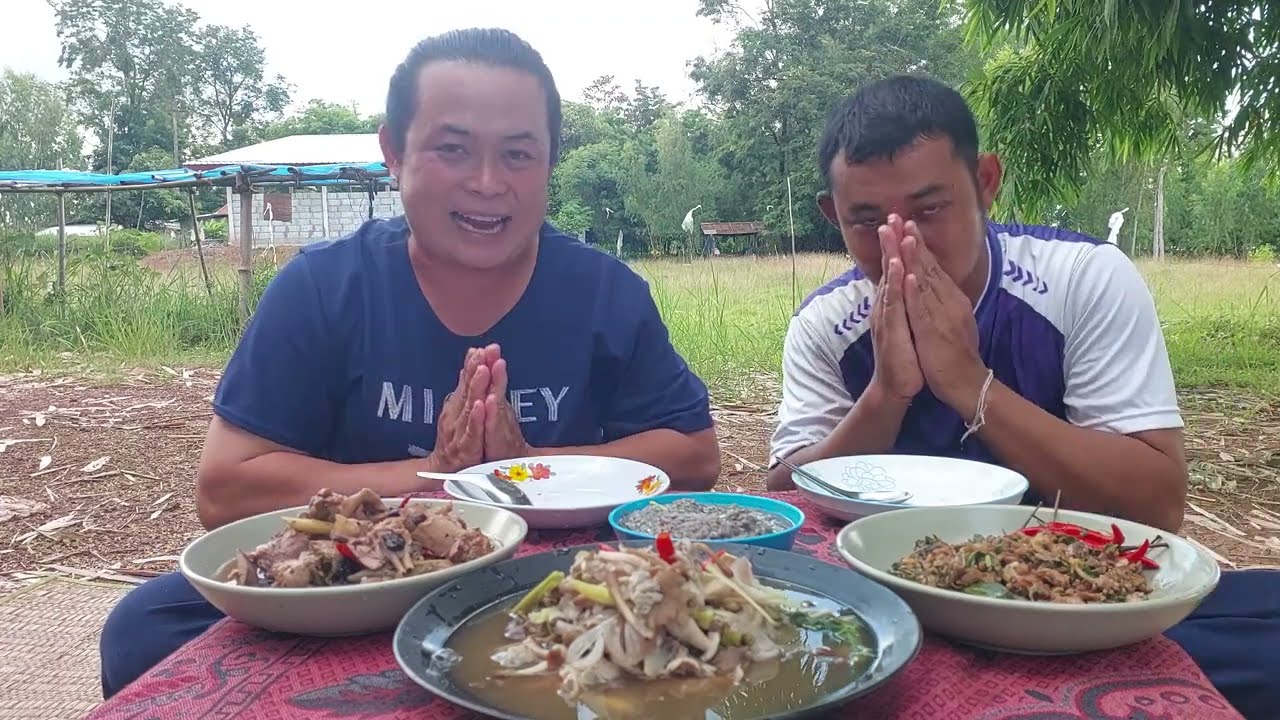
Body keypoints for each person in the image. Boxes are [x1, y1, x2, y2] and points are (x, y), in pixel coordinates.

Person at [98, 27, 720, 699]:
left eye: (518, 154)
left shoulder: (605, 293)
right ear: (393, 153)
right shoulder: (323, 289)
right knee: (142, 627)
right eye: (453, 149)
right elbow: (225, 490)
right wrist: (444, 478)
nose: (487, 183)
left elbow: (693, 454)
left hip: (547, 575)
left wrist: (531, 472)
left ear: (549, 163)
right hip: (356, 582)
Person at [766, 74, 1276, 719]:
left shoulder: (1081, 279)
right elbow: (785, 497)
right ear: (831, 216)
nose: (903, 245)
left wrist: (972, 386)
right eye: (867, 221)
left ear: (984, 182)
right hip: (892, 601)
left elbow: (1156, 504)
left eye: (929, 210)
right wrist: (886, 394)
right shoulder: (825, 323)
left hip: (1083, 606)